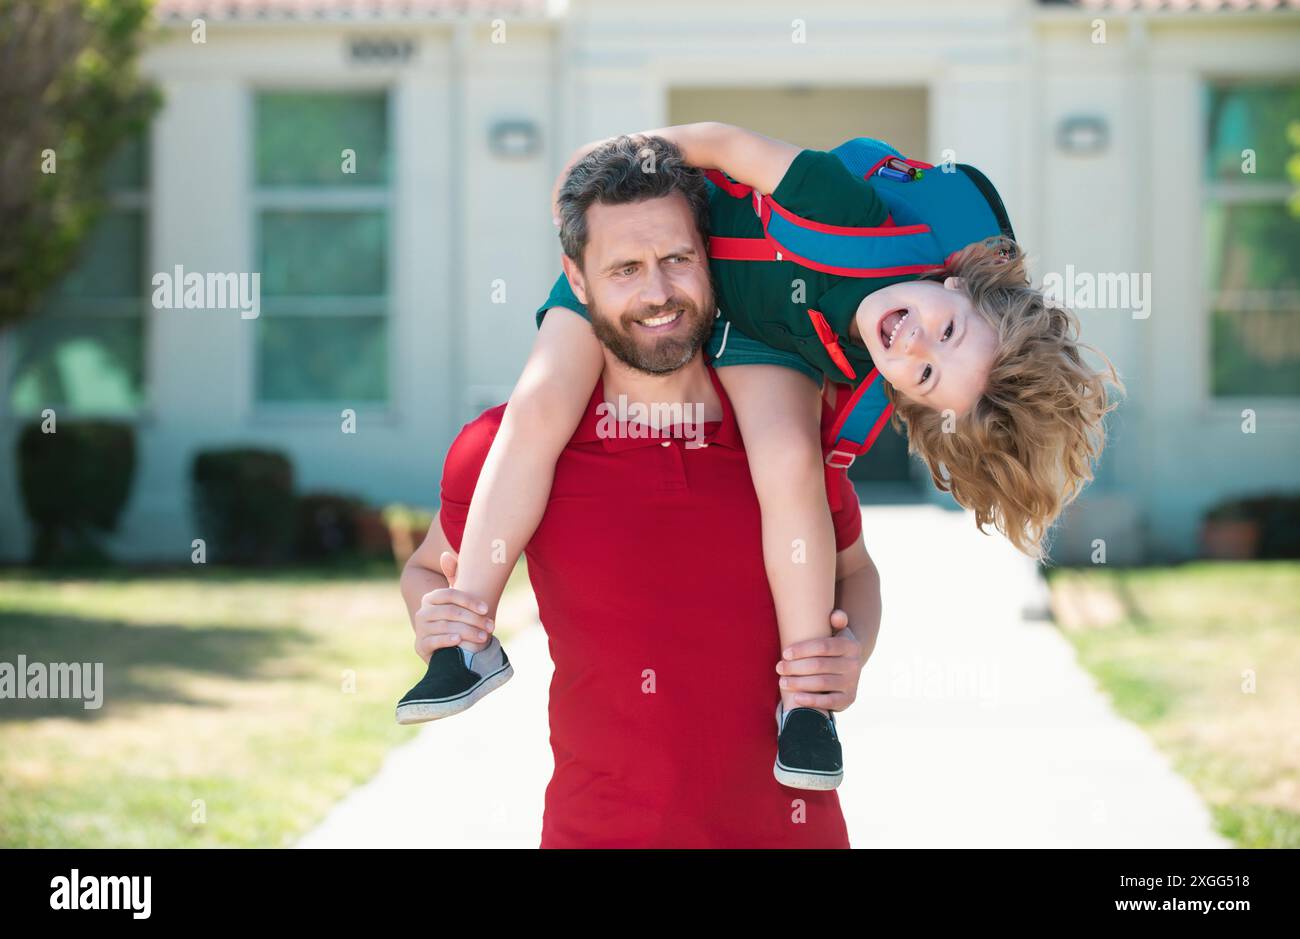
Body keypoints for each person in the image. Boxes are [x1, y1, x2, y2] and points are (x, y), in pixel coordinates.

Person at [397, 144, 878, 844]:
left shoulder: (785, 445)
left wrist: (852, 650)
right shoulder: (507, 450)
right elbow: (423, 570)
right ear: (577, 278)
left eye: (677, 259)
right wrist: (432, 621)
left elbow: (856, 572)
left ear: (708, 259)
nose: (658, 293)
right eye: (624, 269)